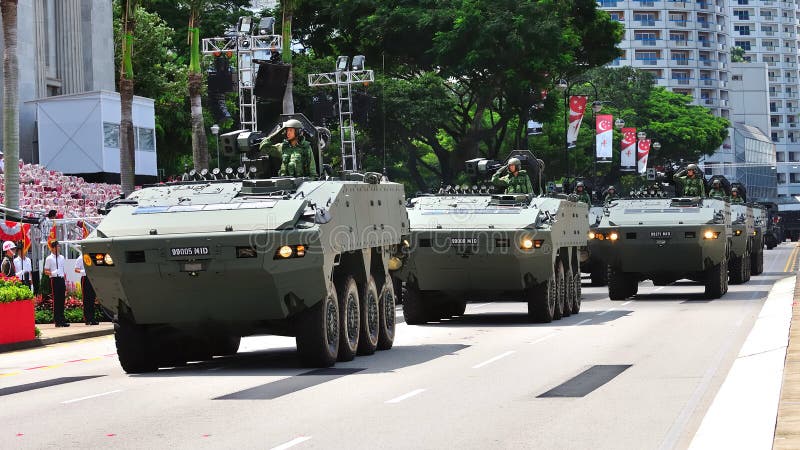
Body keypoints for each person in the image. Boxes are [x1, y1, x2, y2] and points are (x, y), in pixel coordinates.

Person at [44, 240, 69, 327]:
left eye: (59, 246)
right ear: (53, 248)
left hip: (61, 279)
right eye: (58, 246)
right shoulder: (49, 258)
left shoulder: (62, 257)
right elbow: (46, 271)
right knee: (56, 300)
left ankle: (62, 319)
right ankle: (57, 321)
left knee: (62, 300)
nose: (59, 248)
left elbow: (63, 269)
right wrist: (53, 273)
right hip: (54, 279)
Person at [74, 254, 98, 325]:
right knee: (86, 298)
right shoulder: (80, 258)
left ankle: (92, 318)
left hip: (92, 277)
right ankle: (87, 319)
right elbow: (76, 269)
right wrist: (83, 271)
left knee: (92, 298)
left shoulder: (91, 256)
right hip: (85, 278)